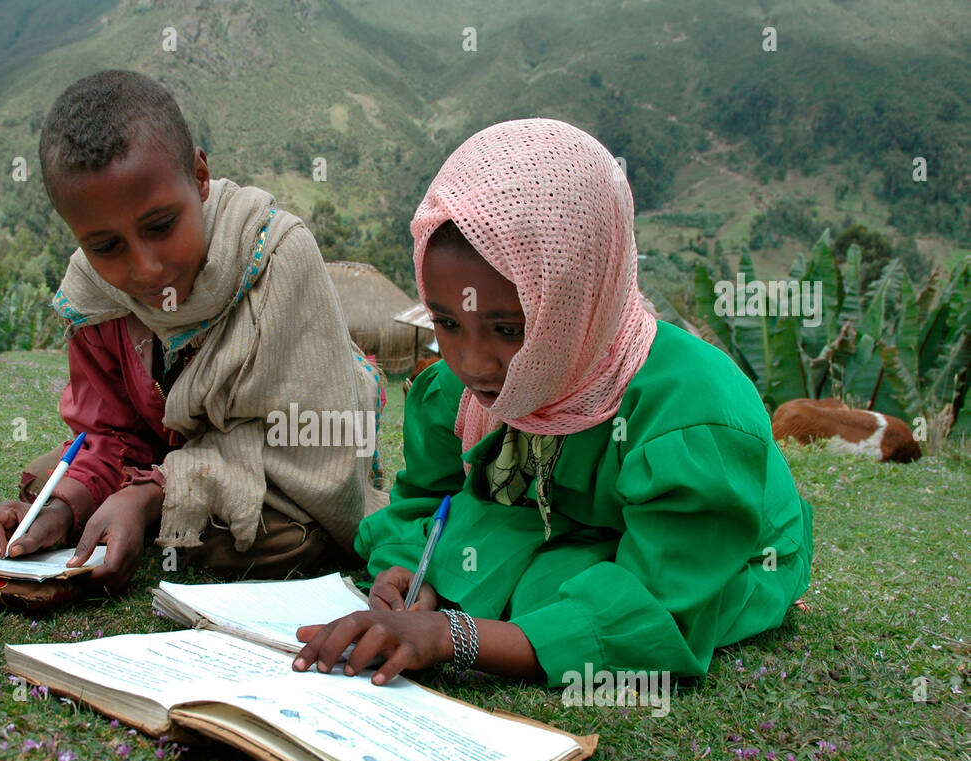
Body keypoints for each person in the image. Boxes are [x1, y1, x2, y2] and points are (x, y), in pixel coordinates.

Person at [293, 118, 813, 687]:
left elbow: (660, 608)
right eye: (446, 322)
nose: (473, 362)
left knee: (558, 582)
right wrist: (404, 571)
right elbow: (424, 505)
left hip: (699, 554)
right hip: (541, 530)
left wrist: (452, 636)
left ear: (575, 298)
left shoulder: (690, 410)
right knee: (486, 552)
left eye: (509, 329)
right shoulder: (454, 395)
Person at [0, 70, 386, 589]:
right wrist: (63, 506)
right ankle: (120, 515)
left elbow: (304, 441)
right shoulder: (94, 295)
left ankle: (140, 515)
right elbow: (108, 433)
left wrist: (153, 495)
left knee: (281, 536)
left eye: (160, 226)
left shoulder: (276, 256)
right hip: (164, 458)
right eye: (106, 246)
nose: (145, 269)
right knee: (48, 482)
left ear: (198, 176)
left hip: (282, 454)